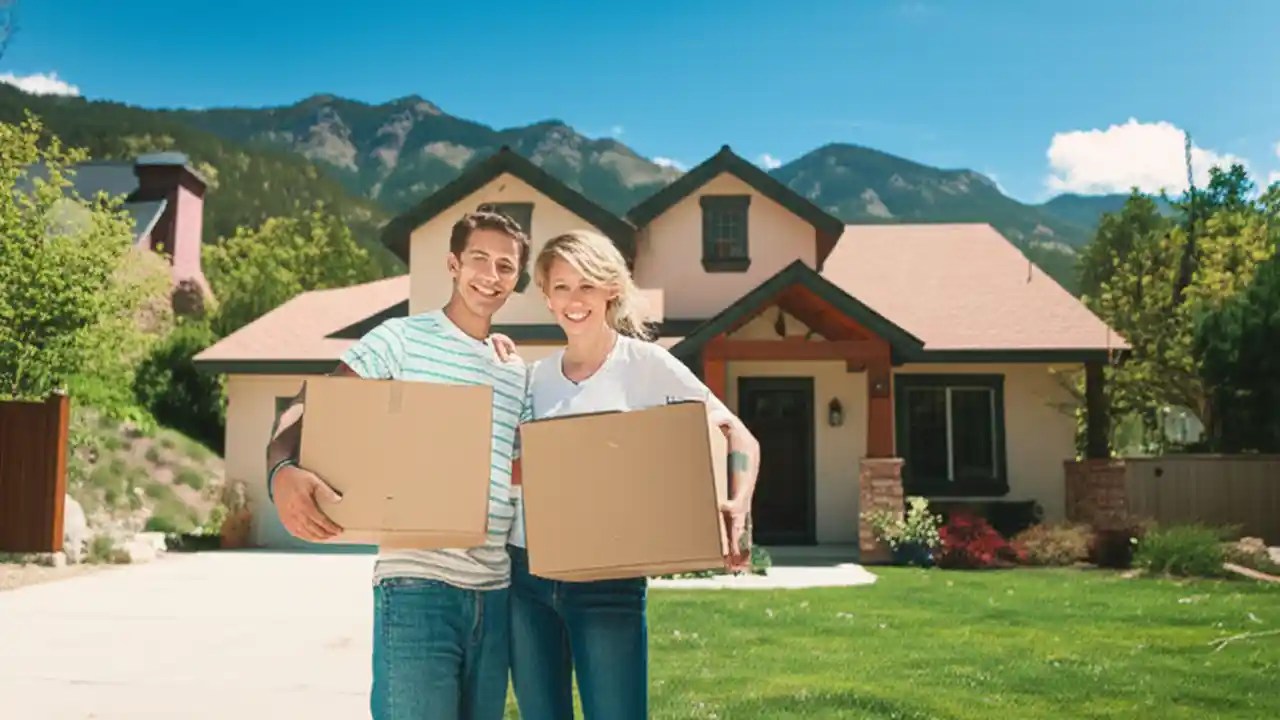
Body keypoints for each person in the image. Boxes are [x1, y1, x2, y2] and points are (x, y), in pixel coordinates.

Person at [265, 207, 530, 720]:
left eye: (505, 266)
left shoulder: (512, 369)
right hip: (417, 586)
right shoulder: (399, 340)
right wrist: (281, 471)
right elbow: (309, 405)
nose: (491, 276)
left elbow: (516, 473)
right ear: (453, 265)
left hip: (495, 595)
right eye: (479, 259)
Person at [507, 229, 761, 720]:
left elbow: (738, 435)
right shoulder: (532, 379)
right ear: (546, 296)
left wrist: (738, 503)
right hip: (528, 578)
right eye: (560, 287)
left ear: (611, 290)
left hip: (609, 581)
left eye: (586, 286)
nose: (573, 300)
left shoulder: (647, 366)